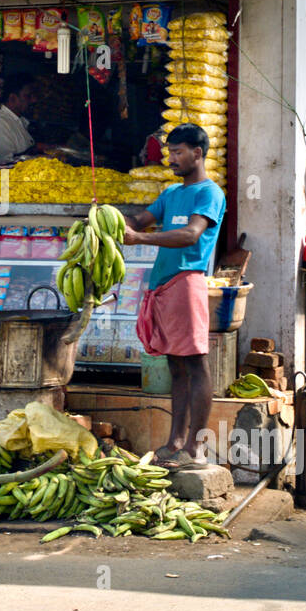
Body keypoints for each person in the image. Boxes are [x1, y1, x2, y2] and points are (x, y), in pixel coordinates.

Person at [123, 122, 227, 468]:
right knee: (175, 366)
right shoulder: (170, 194)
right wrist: (109, 220)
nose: (171, 159)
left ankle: (195, 447)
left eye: (178, 152)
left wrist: (141, 239)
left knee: (195, 364)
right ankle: (174, 441)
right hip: (162, 285)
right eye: (169, 152)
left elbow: (190, 235)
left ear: (197, 153)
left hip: (187, 283)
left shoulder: (209, 193)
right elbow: (141, 219)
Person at [0, 72, 40, 166]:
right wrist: (36, 149)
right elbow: (5, 164)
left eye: (34, 96)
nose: (34, 100)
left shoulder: (19, 121)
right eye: (29, 96)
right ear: (13, 98)